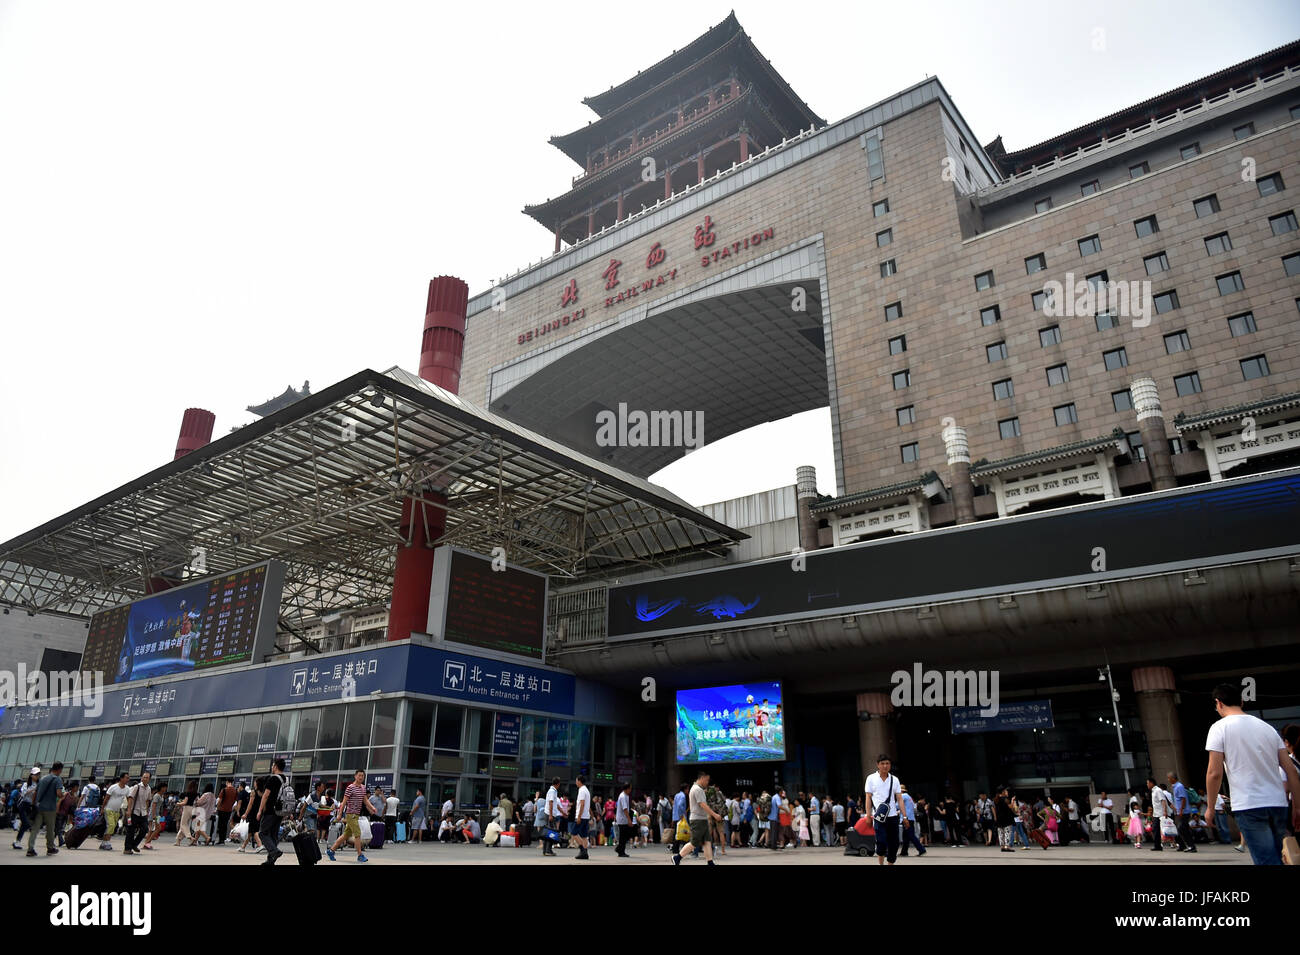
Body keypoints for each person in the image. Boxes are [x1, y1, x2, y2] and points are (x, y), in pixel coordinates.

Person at [1204, 682, 1300, 865]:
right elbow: (1291, 771)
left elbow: (1214, 773)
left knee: (1266, 860)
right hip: (1278, 804)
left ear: (1218, 703)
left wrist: (1210, 808)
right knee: (1277, 857)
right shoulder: (1268, 728)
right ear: (1241, 701)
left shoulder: (1219, 728)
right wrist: (1297, 807)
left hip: (1249, 805)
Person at [864, 754, 907, 866]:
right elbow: (868, 798)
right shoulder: (871, 778)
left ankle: (890, 864)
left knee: (894, 844)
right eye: (882, 763)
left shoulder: (895, 779)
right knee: (881, 841)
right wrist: (868, 815)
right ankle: (881, 863)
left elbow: (900, 799)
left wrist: (905, 816)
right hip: (879, 817)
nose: (885, 766)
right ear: (878, 765)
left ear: (890, 765)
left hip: (893, 816)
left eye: (887, 763)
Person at [673, 768, 721, 866]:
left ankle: (710, 862)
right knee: (694, 842)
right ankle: (677, 857)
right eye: (707, 780)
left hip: (701, 819)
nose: (707, 782)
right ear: (702, 778)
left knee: (707, 841)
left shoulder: (697, 788)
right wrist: (715, 815)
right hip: (697, 820)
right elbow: (702, 804)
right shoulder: (697, 789)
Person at [325, 769, 370, 863]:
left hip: (356, 814)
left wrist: (372, 808)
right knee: (357, 834)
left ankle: (331, 851)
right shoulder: (350, 787)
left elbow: (365, 800)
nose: (361, 777)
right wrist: (340, 814)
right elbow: (344, 802)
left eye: (362, 776)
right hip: (350, 814)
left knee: (346, 835)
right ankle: (360, 855)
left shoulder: (363, 787)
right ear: (355, 776)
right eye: (359, 775)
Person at [24, 761, 64, 857]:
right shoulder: (58, 779)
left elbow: (35, 793)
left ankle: (30, 849)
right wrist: (63, 795)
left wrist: (34, 804)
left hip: (39, 807)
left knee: (35, 829)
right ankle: (50, 848)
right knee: (50, 829)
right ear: (59, 770)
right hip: (50, 808)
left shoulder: (43, 778)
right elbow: (59, 793)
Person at [257, 757, 289, 864]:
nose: (272, 767)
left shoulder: (273, 779)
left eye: (272, 765)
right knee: (273, 835)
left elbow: (265, 796)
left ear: (275, 766)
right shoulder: (286, 779)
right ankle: (270, 861)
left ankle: (274, 851)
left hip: (270, 810)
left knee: (263, 833)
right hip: (280, 811)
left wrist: (260, 811)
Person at [121, 771, 152, 855]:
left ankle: (134, 844)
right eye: (144, 777)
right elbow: (130, 798)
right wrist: (129, 810)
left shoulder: (149, 788)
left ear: (149, 779)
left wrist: (147, 810)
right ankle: (127, 848)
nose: (145, 779)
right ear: (142, 778)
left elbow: (148, 800)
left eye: (147, 777)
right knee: (131, 830)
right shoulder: (136, 787)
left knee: (145, 829)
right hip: (134, 812)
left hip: (143, 813)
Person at [1165, 772, 1196, 853]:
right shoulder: (1175, 787)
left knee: (1182, 829)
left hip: (1184, 811)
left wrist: (1181, 810)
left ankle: (1191, 846)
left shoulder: (1179, 786)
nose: (1168, 780)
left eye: (1169, 778)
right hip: (1180, 811)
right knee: (1182, 829)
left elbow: (1183, 799)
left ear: (1173, 778)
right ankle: (1186, 846)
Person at [100, 771, 130, 852]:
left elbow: (128, 799)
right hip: (109, 809)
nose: (128, 779)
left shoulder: (127, 789)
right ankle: (107, 842)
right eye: (126, 777)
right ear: (121, 778)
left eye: (128, 778)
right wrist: (102, 809)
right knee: (111, 825)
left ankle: (103, 843)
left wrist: (129, 809)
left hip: (117, 811)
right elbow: (106, 798)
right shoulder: (113, 787)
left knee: (112, 827)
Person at [1146, 776, 1174, 851]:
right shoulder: (1153, 791)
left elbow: (1163, 800)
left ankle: (1180, 843)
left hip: (1161, 813)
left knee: (1168, 828)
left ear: (1152, 783)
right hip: (1156, 814)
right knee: (1155, 829)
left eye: (1148, 783)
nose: (1147, 785)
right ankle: (1157, 846)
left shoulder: (1158, 790)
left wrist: (1165, 811)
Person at [141, 781, 169, 850]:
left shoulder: (160, 795)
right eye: (164, 787)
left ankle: (147, 843)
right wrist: (153, 815)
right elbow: (153, 806)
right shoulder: (157, 795)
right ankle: (147, 842)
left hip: (157, 814)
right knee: (157, 828)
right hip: (153, 814)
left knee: (151, 830)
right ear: (161, 788)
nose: (165, 789)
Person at [900, 785, 926, 856]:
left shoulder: (903, 796)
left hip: (906, 818)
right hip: (910, 818)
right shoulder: (909, 797)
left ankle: (921, 849)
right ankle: (904, 852)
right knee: (905, 836)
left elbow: (898, 805)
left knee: (910, 835)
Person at [571, 775, 592, 860]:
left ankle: (582, 850)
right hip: (586, 816)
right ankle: (585, 853)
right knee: (584, 836)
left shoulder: (582, 790)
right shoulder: (586, 790)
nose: (576, 782)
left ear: (579, 781)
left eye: (576, 780)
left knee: (574, 833)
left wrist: (579, 816)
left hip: (581, 816)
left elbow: (582, 804)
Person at [541, 776, 562, 857]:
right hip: (550, 814)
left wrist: (562, 812)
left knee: (549, 832)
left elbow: (555, 804)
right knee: (551, 833)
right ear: (558, 784)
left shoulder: (553, 791)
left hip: (550, 814)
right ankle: (547, 850)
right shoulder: (552, 791)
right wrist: (550, 815)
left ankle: (546, 850)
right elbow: (551, 803)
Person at [55, 780, 79, 848]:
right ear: (72, 787)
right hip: (60, 813)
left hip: (66, 814)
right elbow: (59, 801)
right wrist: (57, 811)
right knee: (59, 828)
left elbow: (73, 807)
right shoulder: (66, 794)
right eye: (76, 787)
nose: (77, 789)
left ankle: (52, 839)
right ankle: (61, 841)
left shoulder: (75, 797)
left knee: (60, 828)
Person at [174, 781, 198, 846]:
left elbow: (185, 803)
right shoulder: (196, 794)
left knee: (183, 825)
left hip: (187, 809)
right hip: (192, 809)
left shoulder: (188, 793)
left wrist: (178, 803)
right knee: (184, 825)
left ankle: (190, 837)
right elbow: (197, 802)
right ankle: (178, 841)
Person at [614, 781, 634, 858]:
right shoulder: (622, 796)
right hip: (622, 819)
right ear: (627, 789)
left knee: (625, 835)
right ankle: (621, 851)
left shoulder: (626, 795)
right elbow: (625, 809)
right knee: (623, 836)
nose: (631, 790)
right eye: (630, 789)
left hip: (624, 818)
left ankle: (619, 849)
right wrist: (629, 819)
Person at [216, 780, 238, 845]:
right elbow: (235, 800)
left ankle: (221, 839)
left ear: (227, 782)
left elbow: (220, 800)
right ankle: (223, 839)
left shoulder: (224, 790)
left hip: (221, 809)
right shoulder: (235, 791)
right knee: (225, 824)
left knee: (220, 825)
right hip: (229, 810)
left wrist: (217, 807)